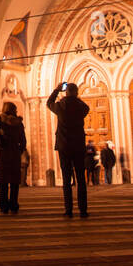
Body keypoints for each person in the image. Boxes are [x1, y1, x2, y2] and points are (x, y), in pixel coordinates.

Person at [47, 82, 91, 218]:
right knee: (80, 179)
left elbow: (49, 103)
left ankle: (68, 209)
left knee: (66, 180)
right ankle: (83, 210)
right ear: (76, 92)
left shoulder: (60, 106)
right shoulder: (80, 106)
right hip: (78, 145)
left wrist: (56, 90)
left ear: (66, 92)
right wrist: (74, 97)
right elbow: (86, 107)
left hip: (64, 146)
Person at [0, 101, 27, 214]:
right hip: (14, 154)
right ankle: (14, 205)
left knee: (3, 183)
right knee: (15, 182)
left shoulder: (0, 121)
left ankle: (3, 206)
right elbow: (23, 141)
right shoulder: (19, 123)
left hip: (2, 155)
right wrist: (18, 151)